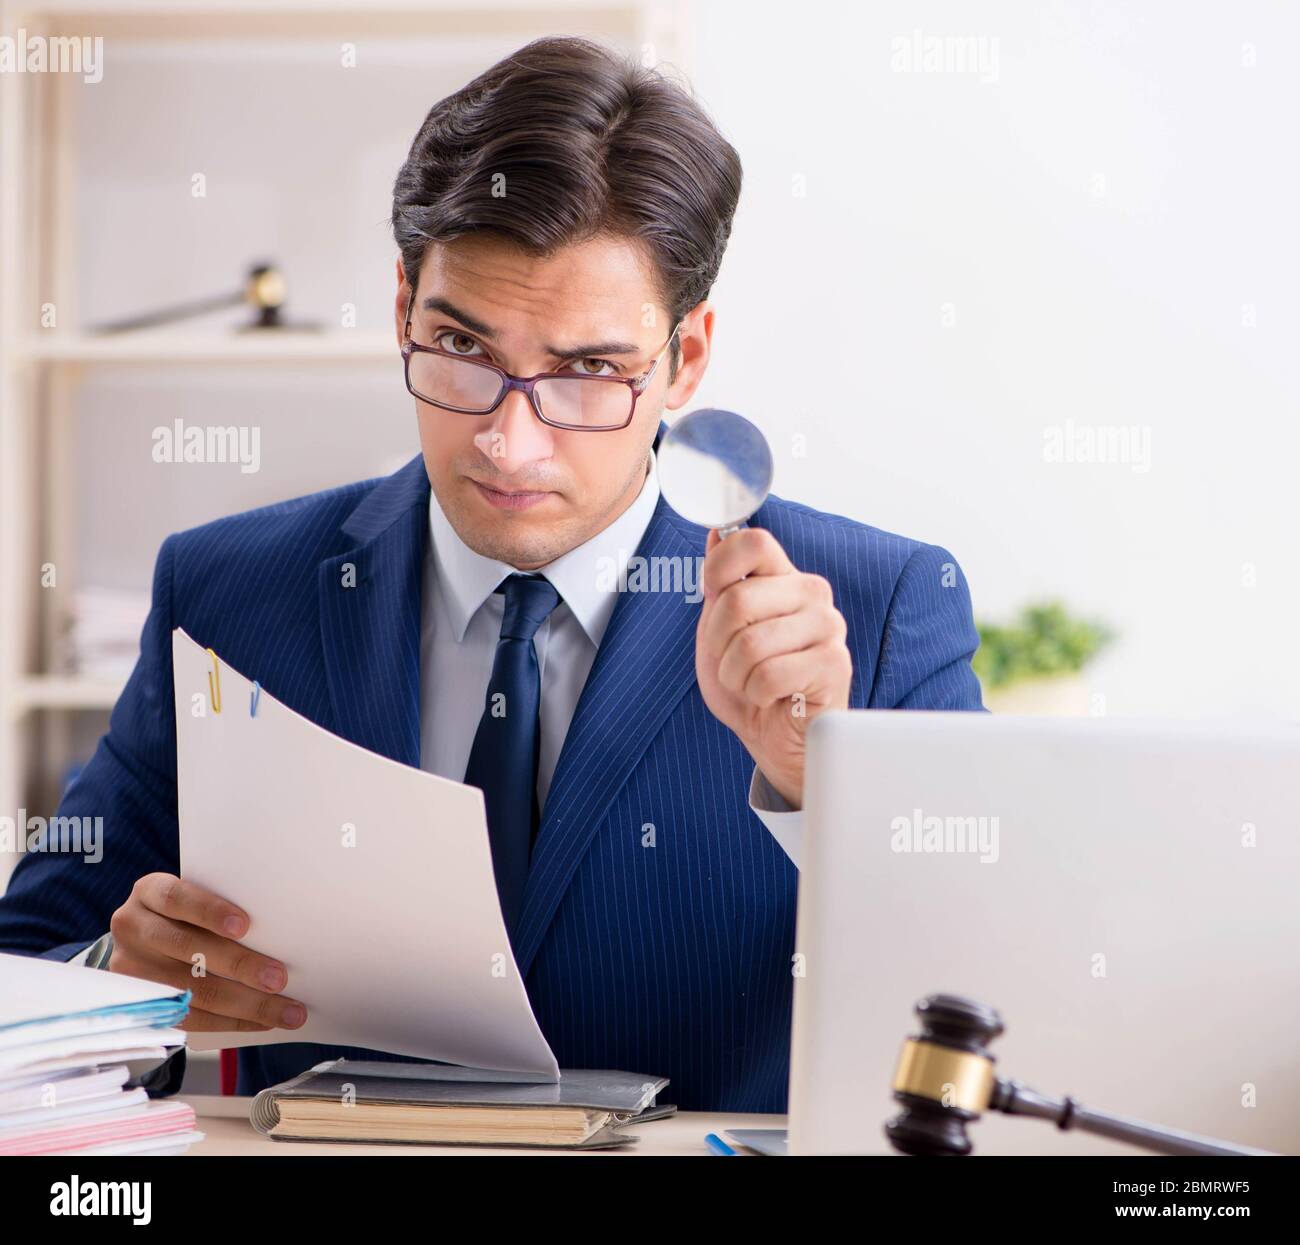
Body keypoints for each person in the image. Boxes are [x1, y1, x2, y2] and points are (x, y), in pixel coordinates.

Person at [0, 36, 983, 1112]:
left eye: (588, 371)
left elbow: (981, 1015)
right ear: (400, 311)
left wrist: (815, 783)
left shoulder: (879, 610)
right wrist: (117, 986)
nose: (510, 444)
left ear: (685, 361)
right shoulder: (231, 593)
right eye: (462, 348)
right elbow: (28, 966)